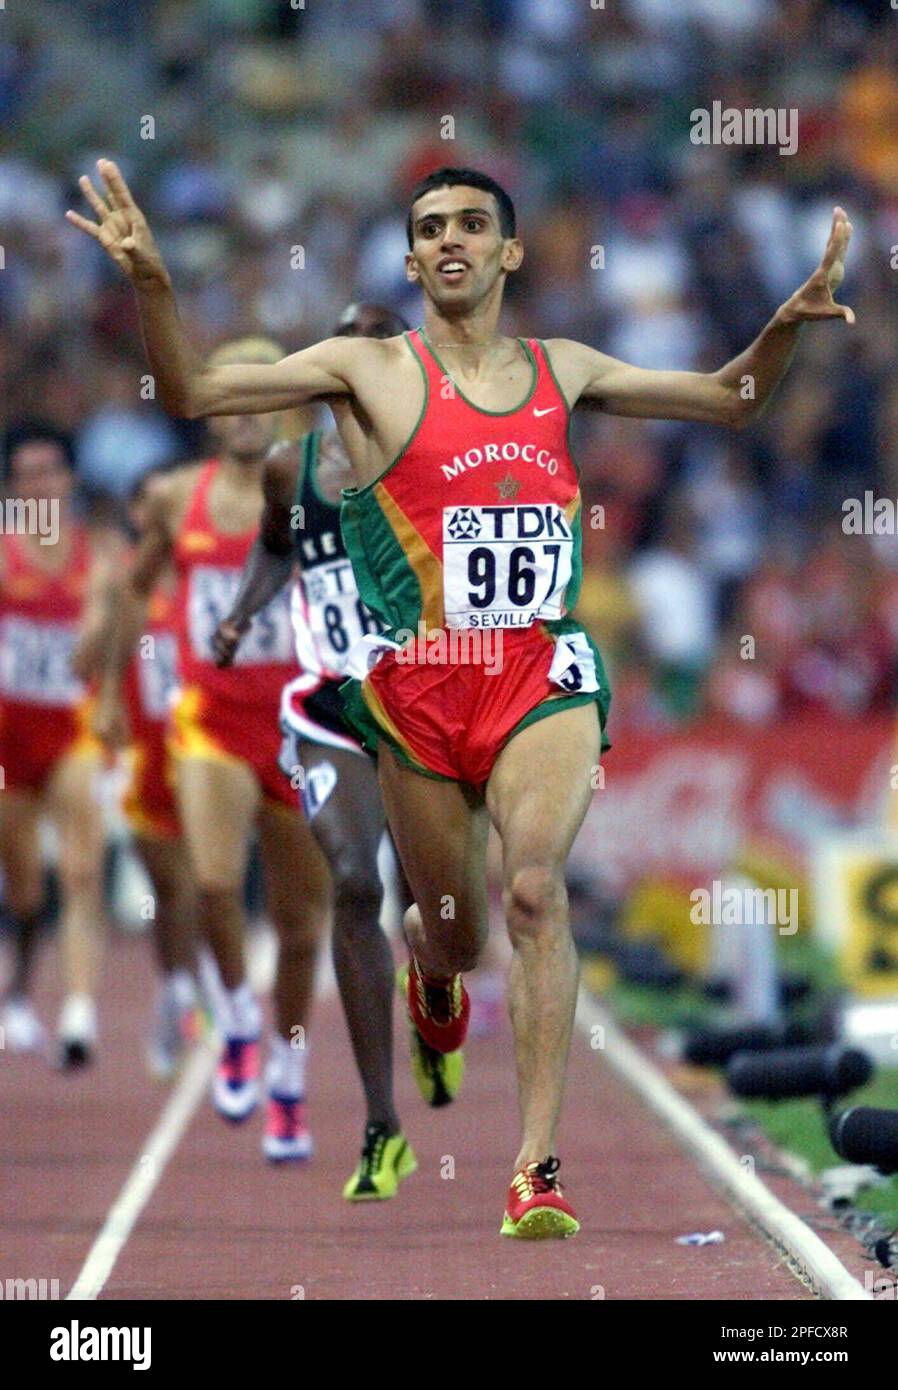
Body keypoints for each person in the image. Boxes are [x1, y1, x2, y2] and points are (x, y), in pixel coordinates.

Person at [69, 160, 854, 1237]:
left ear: (507, 250)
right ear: (408, 258)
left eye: (472, 223)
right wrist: (155, 284)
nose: (451, 239)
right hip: (418, 689)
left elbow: (730, 398)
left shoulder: (561, 366)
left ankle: (535, 1166)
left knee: (535, 892)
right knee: (453, 938)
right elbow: (201, 391)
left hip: (539, 670)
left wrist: (784, 324)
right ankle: (431, 980)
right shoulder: (364, 366)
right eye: (430, 226)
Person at [212, 302, 464, 1202]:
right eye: (345, 347)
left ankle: (436, 995)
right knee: (356, 884)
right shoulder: (293, 467)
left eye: (378, 346)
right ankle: (380, 1122)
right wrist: (244, 611)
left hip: (432, 706)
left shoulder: (444, 465)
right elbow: (275, 552)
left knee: (437, 909)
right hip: (331, 707)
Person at [91, 341, 331, 1162]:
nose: (247, 413)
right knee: (213, 884)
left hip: (302, 730)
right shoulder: (172, 496)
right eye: (230, 398)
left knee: (301, 928)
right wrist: (110, 694)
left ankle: (289, 1073)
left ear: (288, 407)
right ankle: (233, 1017)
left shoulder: (318, 492)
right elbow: (133, 586)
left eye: (263, 397)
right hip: (210, 725)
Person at [0, 425, 122, 1067]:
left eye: (50, 471)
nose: (39, 485)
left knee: (80, 871)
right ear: (13, 488)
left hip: (71, 733)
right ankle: (19, 986)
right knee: (24, 892)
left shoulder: (99, 557)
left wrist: (96, 643)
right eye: (26, 475)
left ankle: (78, 1014)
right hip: (7, 744)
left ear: (69, 479)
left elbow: (107, 641)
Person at [75, 471, 203, 1080]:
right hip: (146, 758)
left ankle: (196, 990)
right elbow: (85, 661)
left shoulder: (207, 567)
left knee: (209, 881)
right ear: (135, 509)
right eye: (149, 502)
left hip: (208, 752)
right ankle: (176, 988)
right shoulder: (123, 580)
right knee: (170, 890)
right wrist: (101, 610)